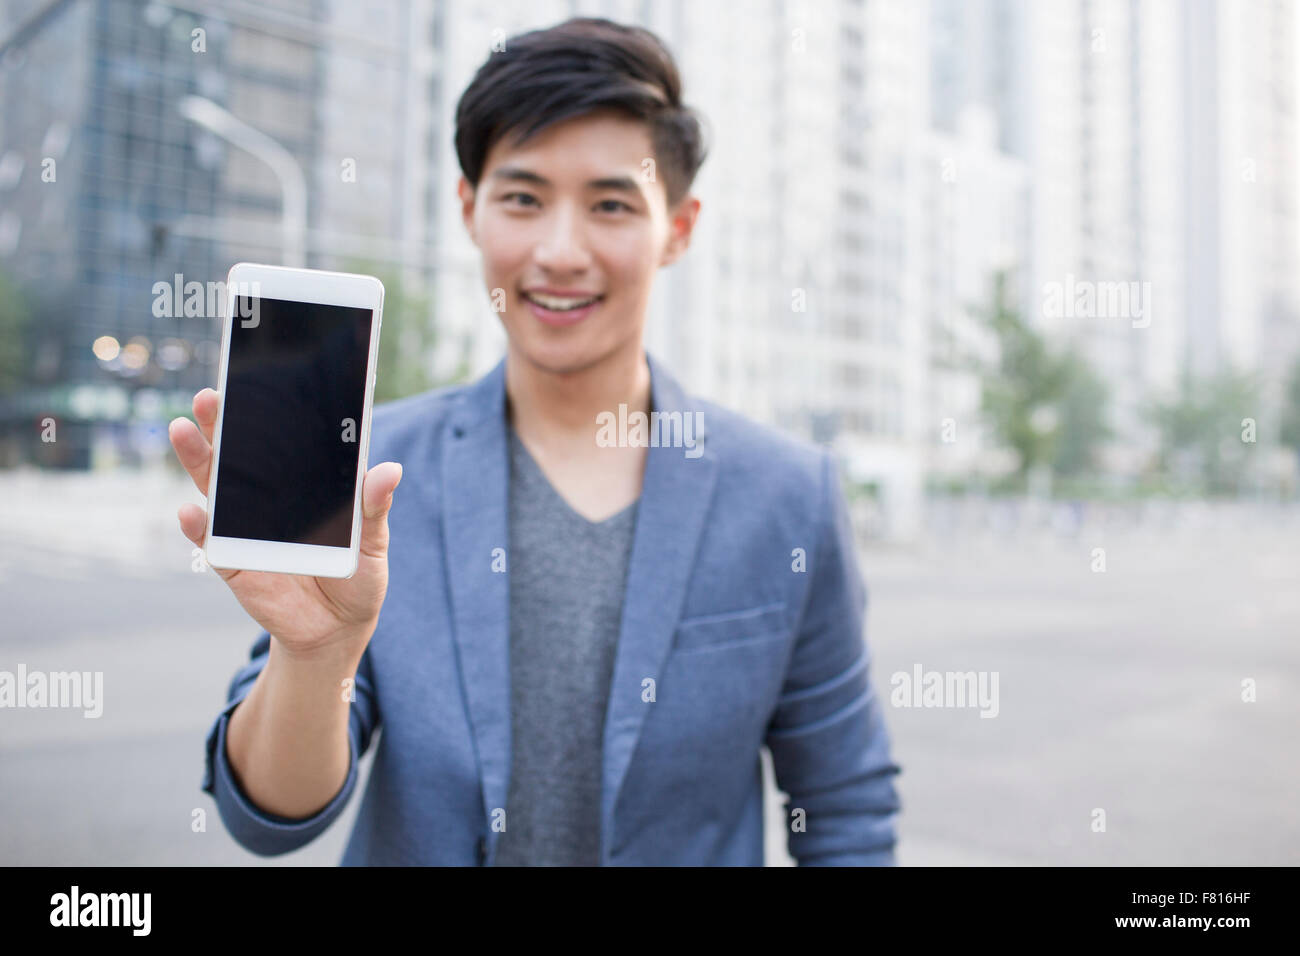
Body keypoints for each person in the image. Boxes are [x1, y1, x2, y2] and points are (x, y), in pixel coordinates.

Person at [169, 15, 901, 866]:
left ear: (680, 227)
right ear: (469, 209)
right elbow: (268, 818)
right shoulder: (372, 474)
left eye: (612, 205)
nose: (559, 251)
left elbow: (844, 810)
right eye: (522, 198)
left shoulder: (787, 496)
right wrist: (314, 653)